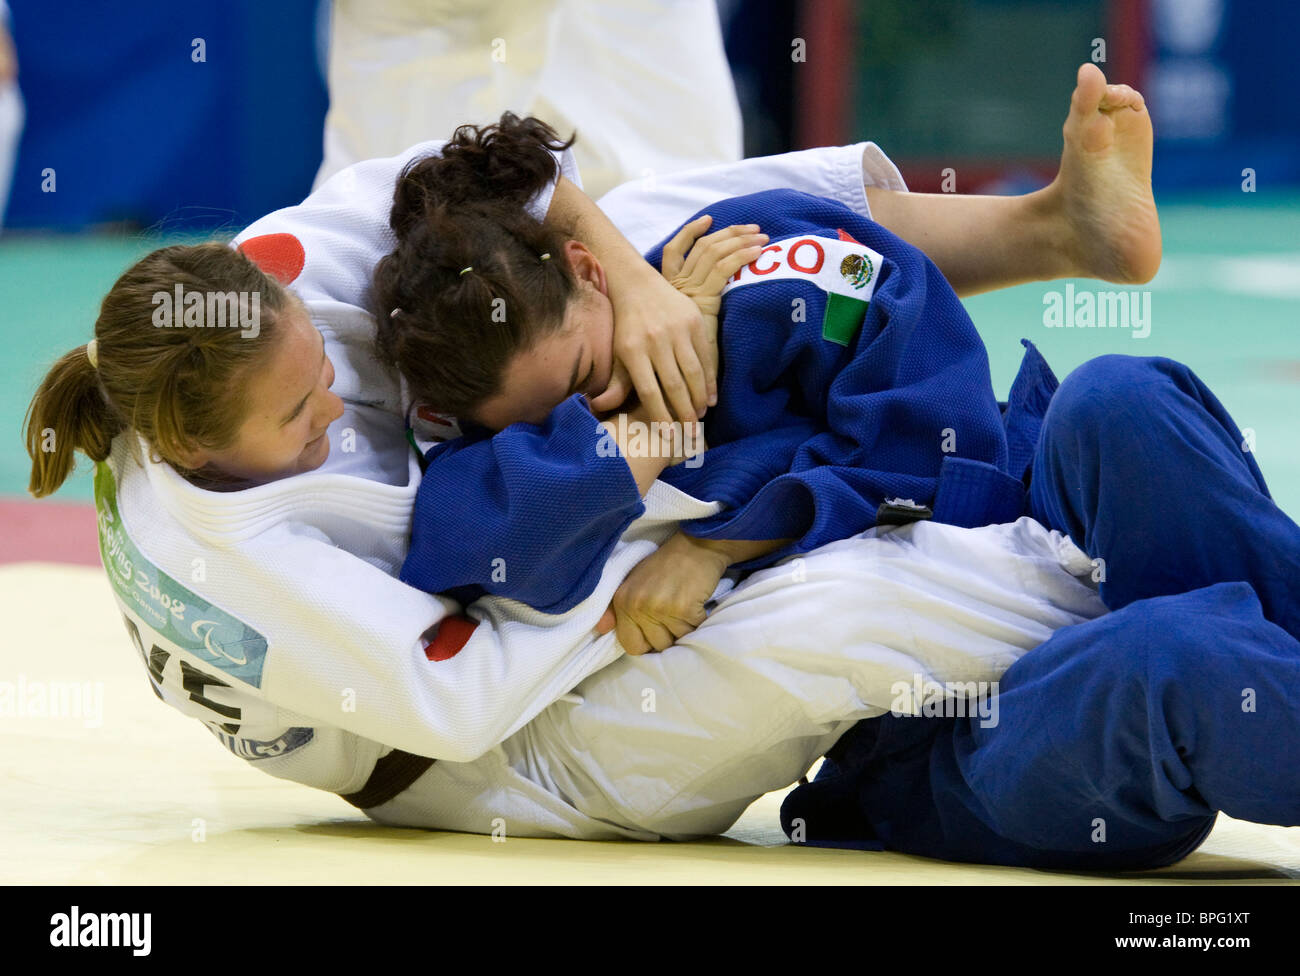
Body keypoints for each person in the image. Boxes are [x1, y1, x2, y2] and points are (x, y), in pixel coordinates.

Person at [32, 64, 1271, 869]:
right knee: (874, 599)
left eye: (326, 373)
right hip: (506, 755)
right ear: (200, 452)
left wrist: (630, 282)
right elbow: (459, 691)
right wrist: (679, 505)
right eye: (303, 412)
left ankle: (1047, 235)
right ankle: (1120, 647)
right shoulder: (234, 557)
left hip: (569, 532)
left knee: (692, 246)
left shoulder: (275, 279)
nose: (334, 407)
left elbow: (491, 171)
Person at [373, 115, 1052, 656]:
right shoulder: (471, 445)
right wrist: (657, 424)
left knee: (1113, 408)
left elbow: (948, 451)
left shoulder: (754, 269)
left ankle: (1058, 227)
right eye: (551, 422)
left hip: (1034, 515)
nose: (600, 408)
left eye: (587, 375)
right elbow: (469, 555)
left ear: (589, 270)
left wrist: (721, 544)